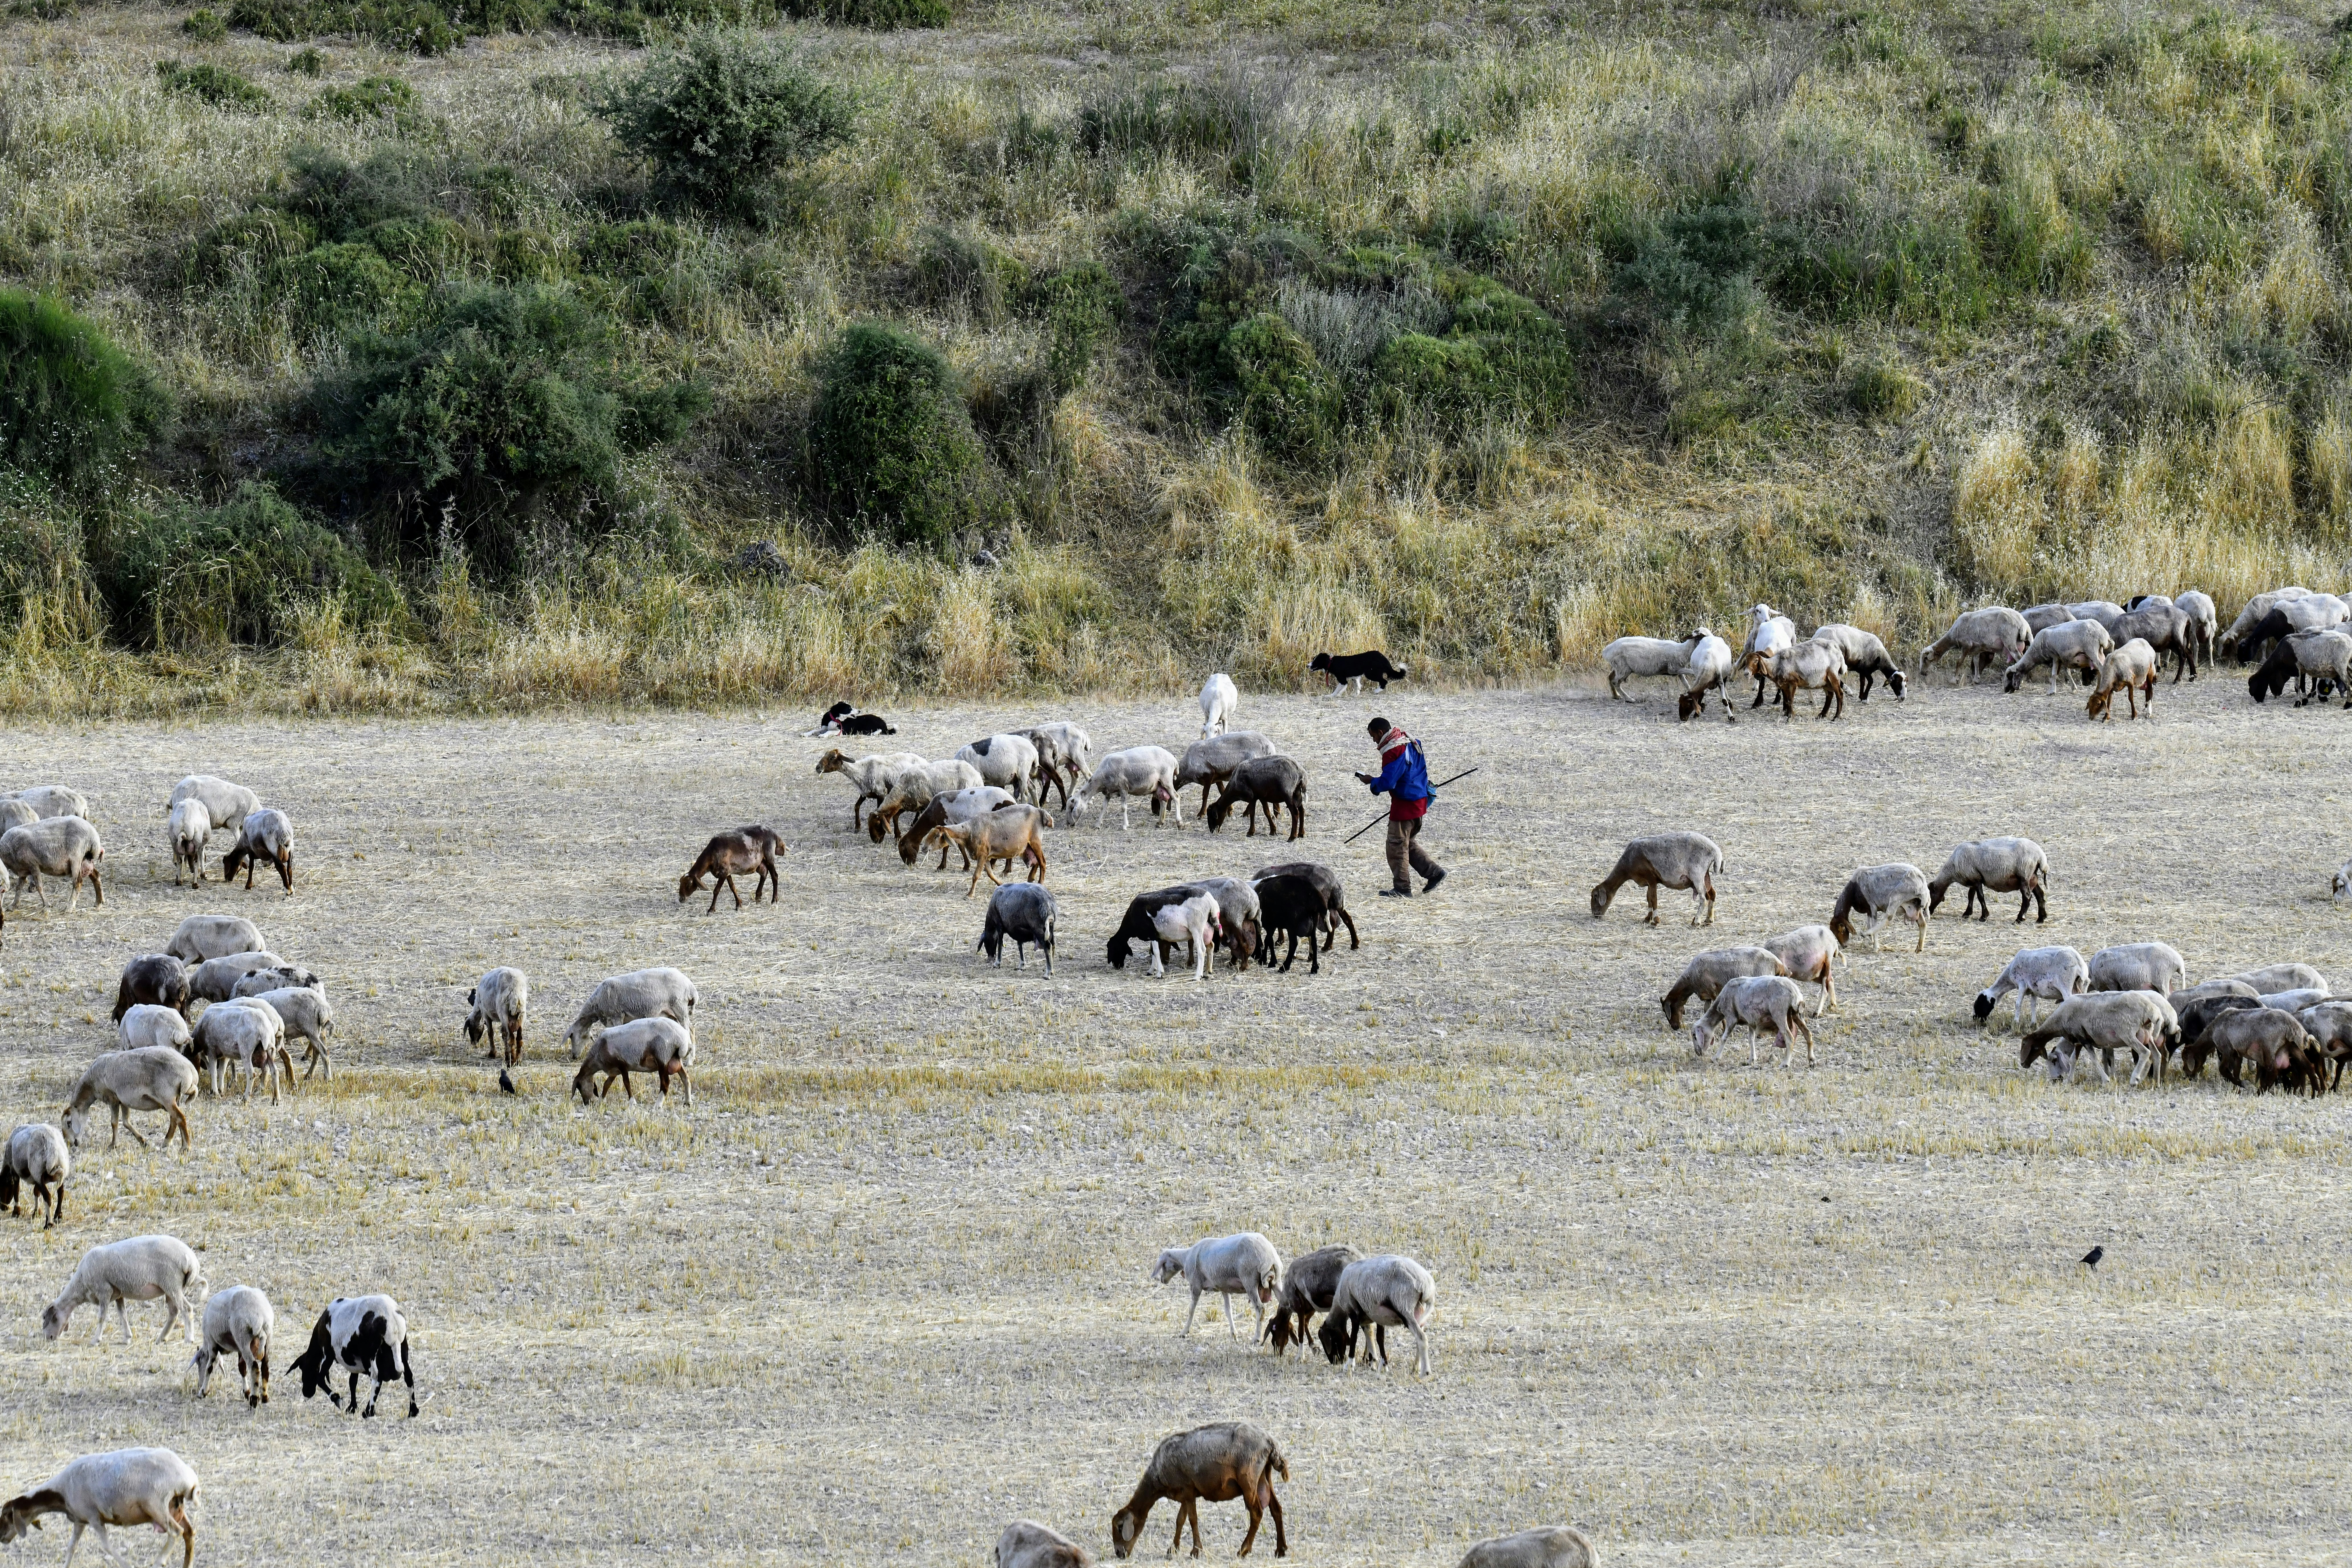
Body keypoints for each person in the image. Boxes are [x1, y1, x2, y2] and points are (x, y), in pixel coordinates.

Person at [1356, 717, 1446, 898]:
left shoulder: (1394, 752)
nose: (1374, 741)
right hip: (1420, 801)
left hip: (1405, 807)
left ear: (1381, 733)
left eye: (1374, 737)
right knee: (1407, 843)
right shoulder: (1411, 742)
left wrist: (1372, 782)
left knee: (1396, 847)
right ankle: (1434, 874)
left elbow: (1389, 782)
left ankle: (1403, 889)